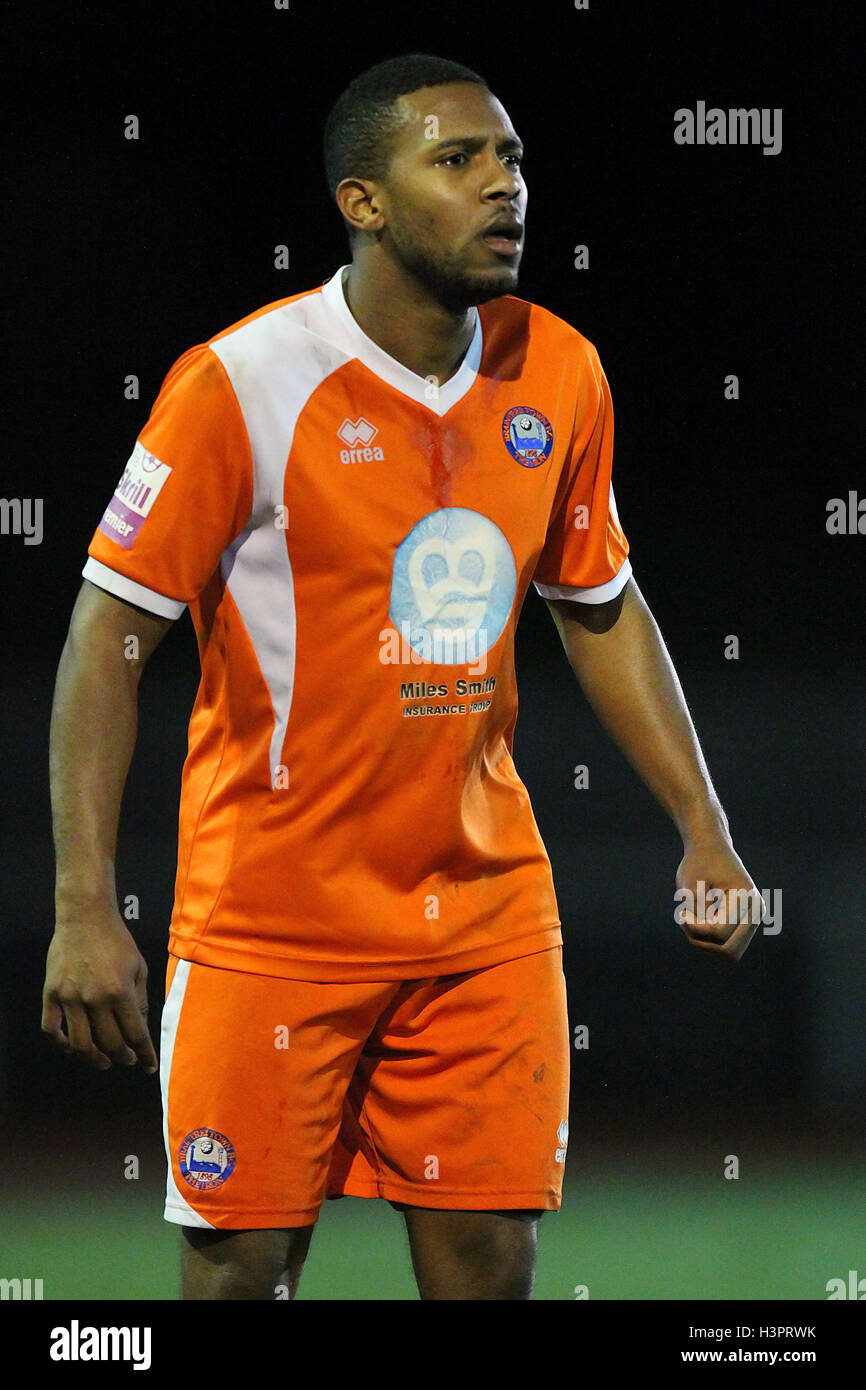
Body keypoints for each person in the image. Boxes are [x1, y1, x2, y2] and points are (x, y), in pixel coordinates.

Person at [43, 52, 762, 1301]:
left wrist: (702, 828)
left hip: (481, 917)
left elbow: (599, 606)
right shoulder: (237, 385)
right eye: (460, 158)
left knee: (487, 1263)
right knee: (239, 1275)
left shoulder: (561, 370)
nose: (505, 186)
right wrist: (81, 901)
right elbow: (106, 641)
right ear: (361, 202)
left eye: (514, 159)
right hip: (271, 921)